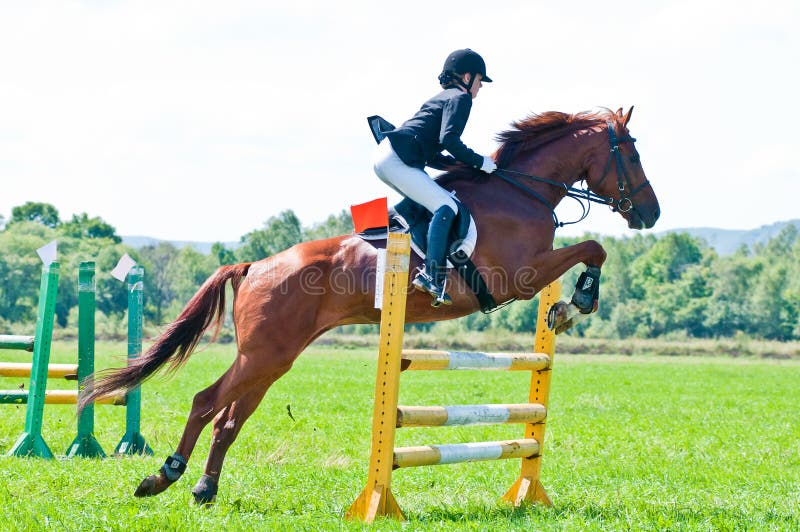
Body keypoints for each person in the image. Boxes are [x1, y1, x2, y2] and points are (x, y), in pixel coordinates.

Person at [373, 48, 497, 307]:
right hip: (397, 159)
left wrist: (455, 166)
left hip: (390, 155)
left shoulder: (443, 97)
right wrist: (481, 162)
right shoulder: (461, 99)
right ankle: (432, 276)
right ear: (466, 77)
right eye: (479, 81)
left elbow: (432, 147)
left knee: (426, 201)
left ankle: (370, 220)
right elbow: (449, 140)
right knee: (446, 206)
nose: (480, 88)